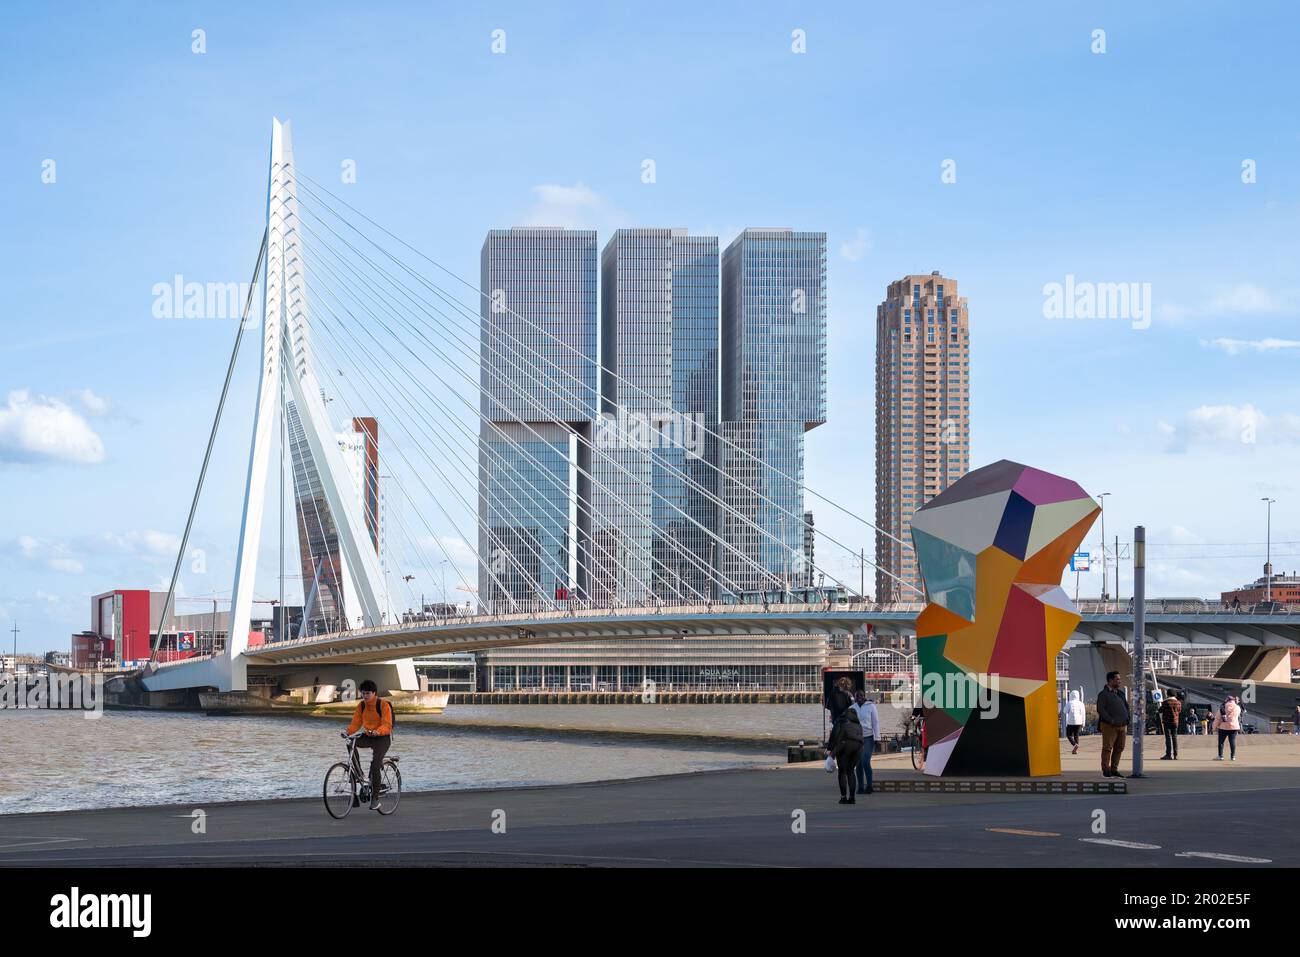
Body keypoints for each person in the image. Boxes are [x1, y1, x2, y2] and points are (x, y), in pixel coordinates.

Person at [344, 679, 394, 810]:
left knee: (376, 764)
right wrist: (347, 732)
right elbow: (356, 723)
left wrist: (378, 731)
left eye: (367, 693)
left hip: (382, 738)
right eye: (363, 693)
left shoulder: (383, 705)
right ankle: (359, 773)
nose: (365, 696)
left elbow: (387, 725)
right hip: (369, 736)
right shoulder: (361, 706)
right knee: (350, 742)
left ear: (374, 693)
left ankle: (375, 799)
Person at [825, 700, 864, 804]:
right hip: (858, 748)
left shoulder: (841, 720)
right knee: (851, 771)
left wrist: (830, 749)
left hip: (845, 746)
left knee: (842, 772)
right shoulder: (858, 725)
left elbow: (835, 735)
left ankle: (843, 797)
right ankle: (852, 798)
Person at [1095, 671, 1130, 778]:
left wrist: (1127, 718)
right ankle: (1106, 769)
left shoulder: (1120, 693)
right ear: (1110, 680)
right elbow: (1101, 709)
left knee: (1119, 748)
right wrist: (1111, 720)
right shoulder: (1103, 694)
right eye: (1117, 679)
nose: (1119, 681)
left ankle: (1114, 769)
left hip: (1122, 725)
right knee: (1107, 748)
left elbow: (1126, 706)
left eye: (1119, 679)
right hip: (1109, 725)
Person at [850, 689, 879, 795]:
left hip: (868, 738)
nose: (859, 698)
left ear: (864, 696)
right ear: (855, 697)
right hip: (856, 739)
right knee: (858, 764)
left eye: (861, 696)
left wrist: (877, 738)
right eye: (857, 696)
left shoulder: (871, 706)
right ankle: (861, 787)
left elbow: (875, 723)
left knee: (865, 761)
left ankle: (870, 786)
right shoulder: (852, 708)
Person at [1212, 694, 1241, 762]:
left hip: (1223, 727)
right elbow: (1238, 716)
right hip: (1234, 727)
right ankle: (1233, 756)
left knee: (1221, 742)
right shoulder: (1237, 707)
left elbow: (1217, 718)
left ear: (1227, 700)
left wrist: (1214, 728)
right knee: (1232, 741)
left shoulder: (1223, 707)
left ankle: (1220, 756)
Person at [1159, 692, 1181, 760]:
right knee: (1174, 738)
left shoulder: (1165, 702)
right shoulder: (1178, 702)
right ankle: (1176, 755)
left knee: (1168, 738)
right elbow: (1179, 711)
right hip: (1175, 722)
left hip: (1167, 722)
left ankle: (1168, 755)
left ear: (1168, 694)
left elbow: (1160, 710)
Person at [1065, 689, 1085, 754]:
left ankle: (1074, 745)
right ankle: (1075, 749)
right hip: (1079, 722)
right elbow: (1083, 714)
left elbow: (1064, 711)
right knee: (1076, 735)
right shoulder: (1081, 704)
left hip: (1071, 722)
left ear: (1071, 695)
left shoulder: (1069, 703)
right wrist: (1083, 723)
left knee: (1069, 735)